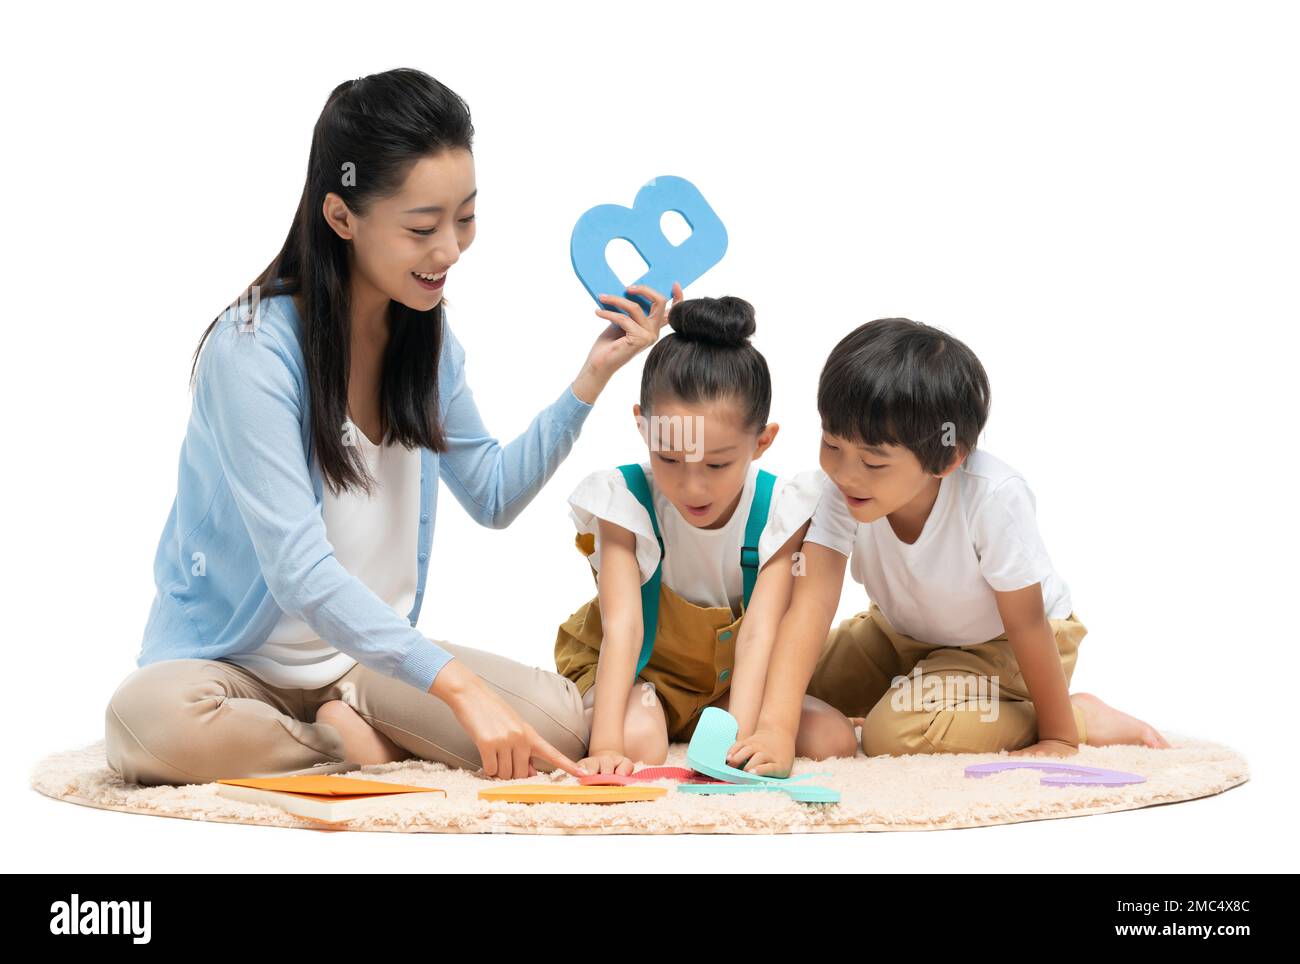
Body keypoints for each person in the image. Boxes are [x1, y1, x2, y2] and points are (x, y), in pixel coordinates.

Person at [104, 68, 673, 786]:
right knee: (146, 723)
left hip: (368, 661)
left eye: (465, 217)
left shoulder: (426, 343)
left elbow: (493, 495)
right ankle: (340, 745)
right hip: (234, 669)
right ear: (341, 217)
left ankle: (344, 725)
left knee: (558, 726)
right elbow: (301, 574)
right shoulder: (252, 351)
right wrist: (457, 688)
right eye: (422, 228)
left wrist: (593, 376)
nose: (451, 250)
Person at [729, 317, 1170, 777]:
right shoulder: (837, 489)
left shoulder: (992, 497)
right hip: (900, 636)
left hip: (1004, 645)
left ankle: (1080, 715)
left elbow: (1027, 621)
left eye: (873, 462)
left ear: (947, 457)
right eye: (831, 444)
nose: (846, 473)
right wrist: (776, 729)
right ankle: (925, 688)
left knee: (893, 734)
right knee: (769, 679)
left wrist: (1059, 734)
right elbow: (811, 606)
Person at [553, 294, 860, 774]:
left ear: (762, 442)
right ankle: (632, 722)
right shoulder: (623, 499)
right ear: (642, 425)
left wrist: (733, 742)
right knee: (637, 743)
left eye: (717, 464)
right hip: (639, 673)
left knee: (834, 740)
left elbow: (759, 632)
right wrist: (605, 746)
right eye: (669, 459)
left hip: (729, 681)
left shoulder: (780, 508)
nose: (692, 486)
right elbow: (625, 627)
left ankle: (702, 726)